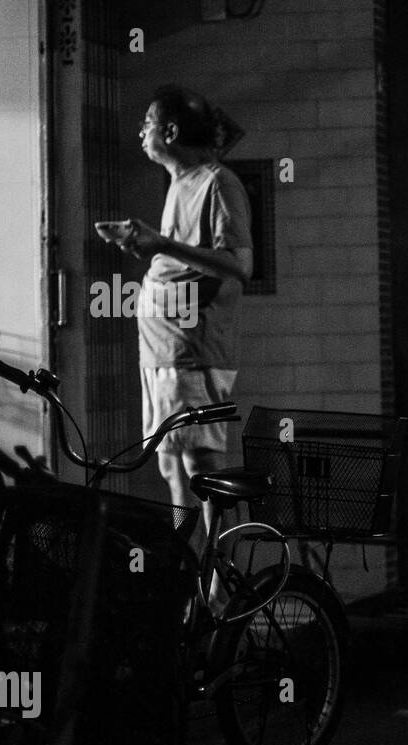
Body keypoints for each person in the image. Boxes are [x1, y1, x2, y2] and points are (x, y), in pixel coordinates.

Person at [120, 84, 253, 516]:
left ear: (171, 132)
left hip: (192, 354)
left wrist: (161, 244)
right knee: (170, 463)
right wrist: (150, 244)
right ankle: (189, 558)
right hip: (163, 355)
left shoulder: (218, 183)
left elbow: (238, 263)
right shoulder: (180, 183)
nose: (142, 133)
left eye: (148, 125)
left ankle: (213, 576)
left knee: (200, 464)